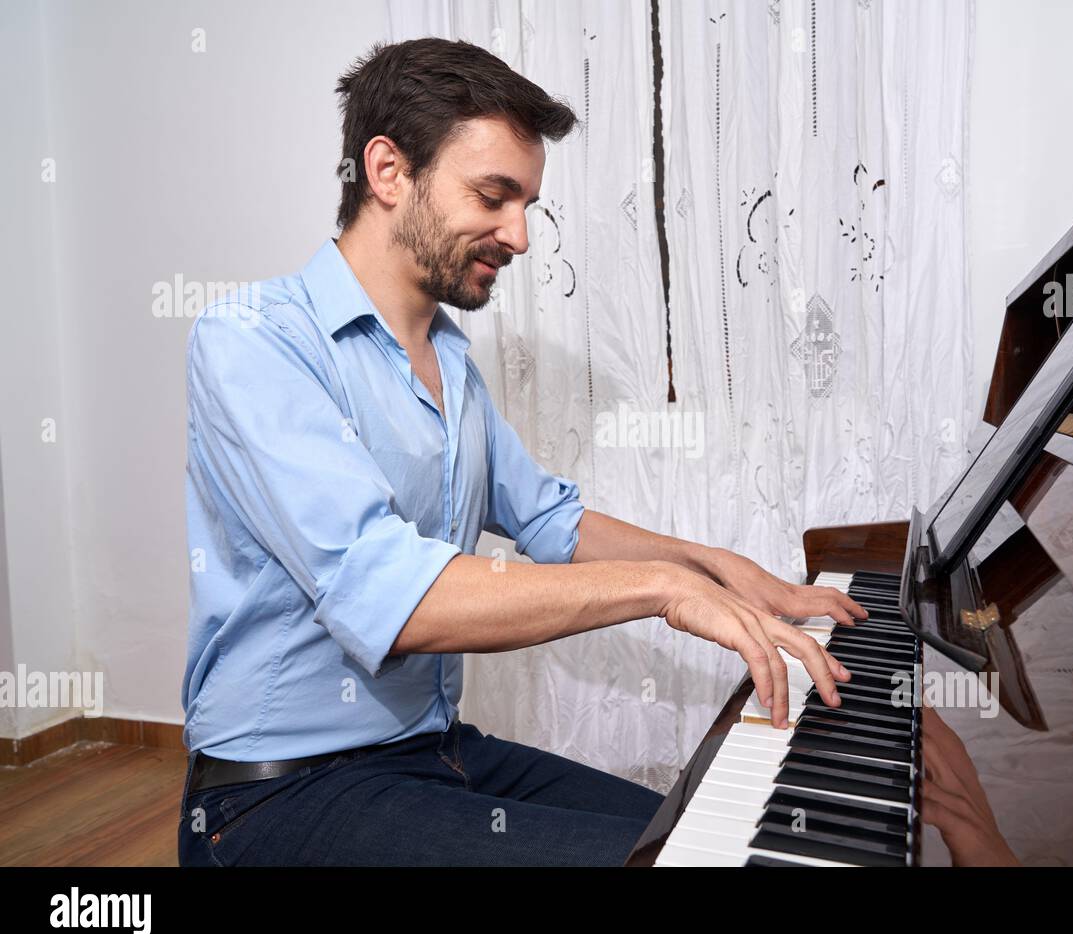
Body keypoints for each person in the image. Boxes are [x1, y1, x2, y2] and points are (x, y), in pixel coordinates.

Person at [178, 37, 862, 867]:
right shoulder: (253, 340)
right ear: (388, 172)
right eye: (495, 196)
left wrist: (716, 565)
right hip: (279, 794)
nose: (521, 235)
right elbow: (392, 596)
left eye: (527, 204)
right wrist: (664, 590)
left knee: (708, 833)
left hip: (434, 752)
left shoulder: (451, 360)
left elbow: (551, 519)